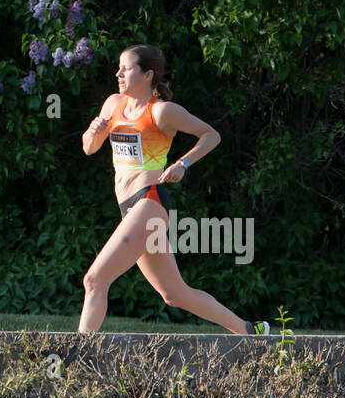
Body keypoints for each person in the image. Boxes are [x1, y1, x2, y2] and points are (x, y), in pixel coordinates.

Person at [77, 44, 271, 336]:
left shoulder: (162, 111)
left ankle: (78, 355)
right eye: (118, 68)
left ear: (147, 74)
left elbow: (211, 135)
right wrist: (92, 133)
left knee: (95, 279)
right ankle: (249, 330)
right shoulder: (113, 104)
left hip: (149, 202)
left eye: (126, 68)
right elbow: (89, 149)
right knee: (174, 294)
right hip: (128, 208)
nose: (118, 73)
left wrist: (183, 163)